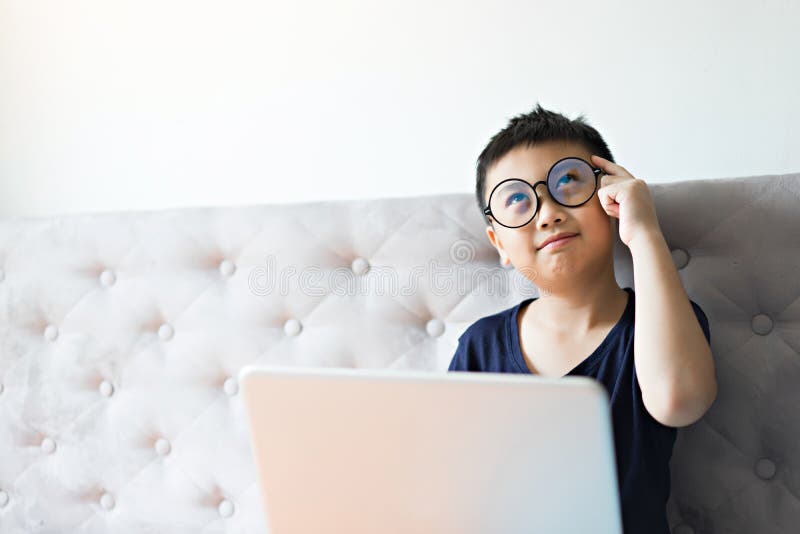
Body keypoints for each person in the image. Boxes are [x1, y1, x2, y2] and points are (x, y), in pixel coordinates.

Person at [447, 103, 717, 534]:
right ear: (498, 242)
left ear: (611, 198)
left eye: (568, 182)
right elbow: (455, 481)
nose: (548, 212)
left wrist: (643, 231)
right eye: (517, 199)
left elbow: (678, 401)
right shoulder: (481, 345)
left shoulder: (661, 322)